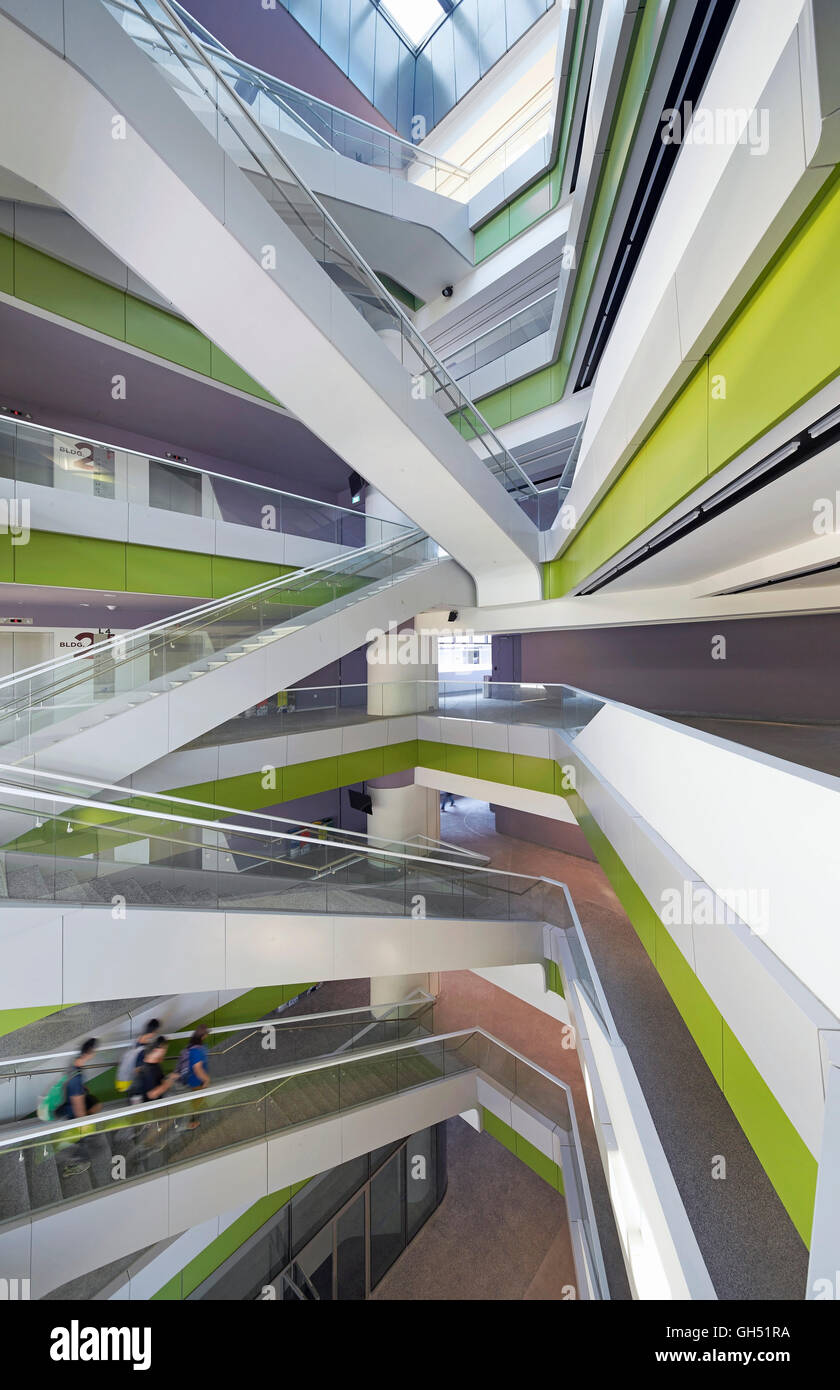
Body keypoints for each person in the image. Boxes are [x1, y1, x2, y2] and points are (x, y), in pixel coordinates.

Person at [56, 1038, 101, 1178]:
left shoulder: (75, 1064)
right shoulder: (76, 1079)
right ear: (90, 1053)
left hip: (69, 1103)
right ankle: (76, 1163)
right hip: (72, 1111)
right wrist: (85, 1122)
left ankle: (74, 1152)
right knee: (84, 1138)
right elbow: (78, 1110)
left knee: (96, 1104)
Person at [115, 1017, 160, 1094]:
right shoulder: (143, 1050)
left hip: (121, 1077)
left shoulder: (137, 1039)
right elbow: (138, 1071)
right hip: (129, 1081)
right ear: (154, 1032)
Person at [130, 1036, 176, 1104]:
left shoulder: (154, 1064)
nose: (165, 1052)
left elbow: (160, 1079)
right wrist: (169, 1082)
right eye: (165, 1049)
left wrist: (168, 1078)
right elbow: (152, 1094)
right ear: (157, 1050)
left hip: (156, 1103)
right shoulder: (148, 1070)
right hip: (151, 1107)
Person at [180, 1026, 210, 1130]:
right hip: (196, 1081)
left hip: (191, 1079)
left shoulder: (191, 1046)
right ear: (203, 1035)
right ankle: (189, 1124)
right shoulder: (197, 1050)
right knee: (195, 1102)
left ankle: (193, 1116)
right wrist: (206, 1079)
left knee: (195, 1100)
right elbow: (197, 1069)